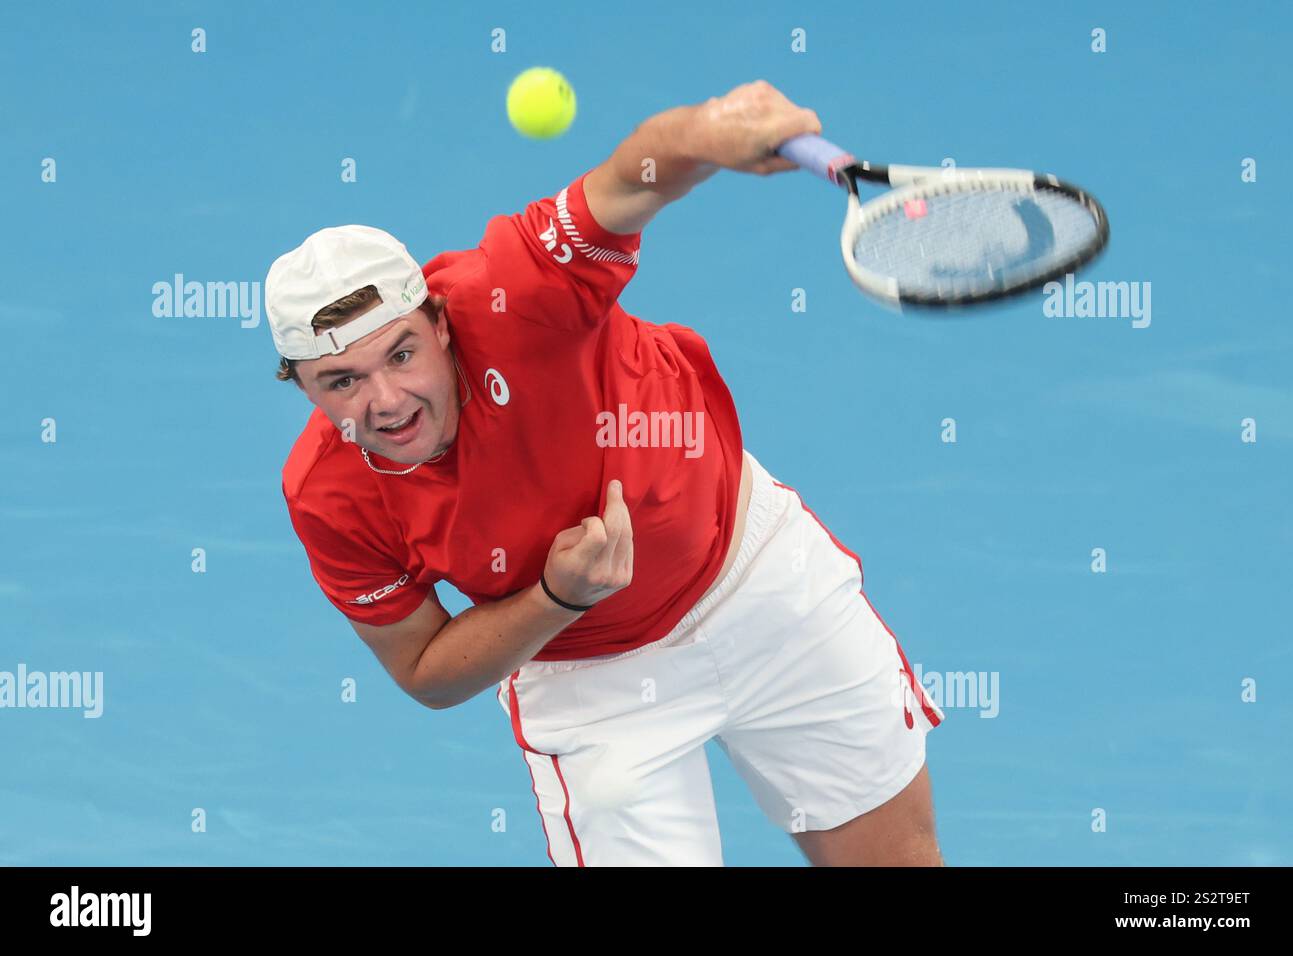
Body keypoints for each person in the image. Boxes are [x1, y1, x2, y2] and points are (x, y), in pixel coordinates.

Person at [265, 80, 944, 866]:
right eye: (342, 381)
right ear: (301, 386)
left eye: (401, 354)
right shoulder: (329, 495)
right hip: (586, 677)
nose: (386, 401)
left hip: (758, 578)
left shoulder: (514, 291)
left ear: (442, 325)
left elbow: (627, 180)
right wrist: (554, 599)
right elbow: (425, 668)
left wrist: (703, 131)